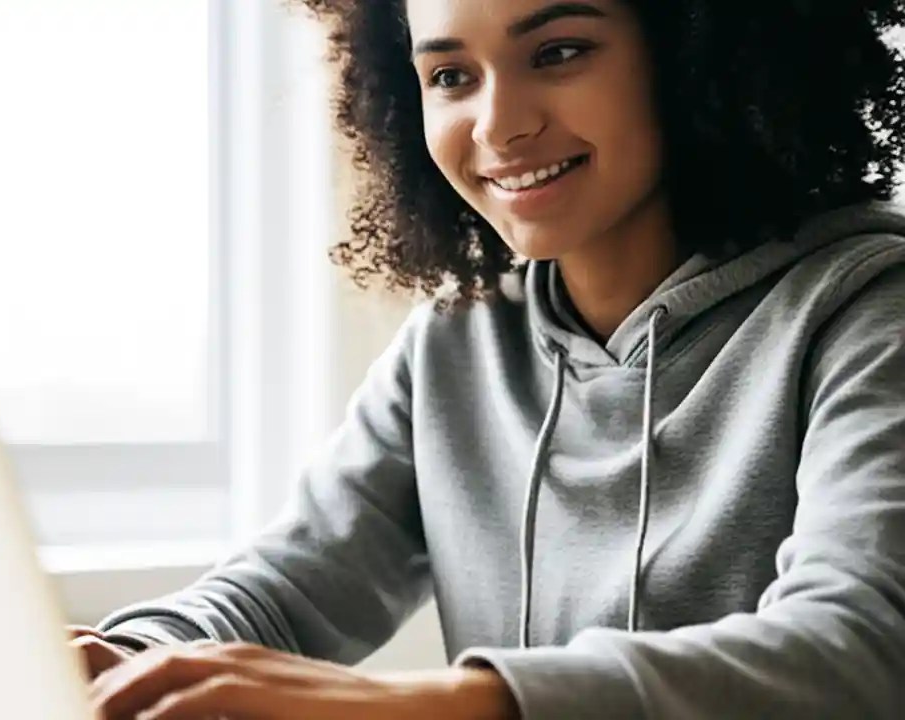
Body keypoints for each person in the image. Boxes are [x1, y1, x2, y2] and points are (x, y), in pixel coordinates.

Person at [71, 0, 905, 717]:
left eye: (559, 53)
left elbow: (858, 650)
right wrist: (126, 658)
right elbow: (291, 586)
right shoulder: (458, 339)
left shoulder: (870, 309)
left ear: (691, 50)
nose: (500, 125)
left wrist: (446, 703)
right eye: (451, 76)